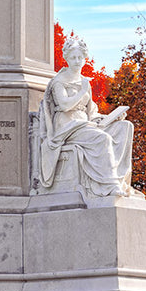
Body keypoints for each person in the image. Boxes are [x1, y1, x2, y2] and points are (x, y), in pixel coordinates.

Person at [37, 35, 134, 198]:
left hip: (85, 123)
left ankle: (120, 178)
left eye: (80, 57)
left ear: (84, 59)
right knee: (102, 139)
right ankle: (109, 185)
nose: (77, 61)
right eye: (73, 57)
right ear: (66, 58)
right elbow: (65, 105)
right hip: (67, 125)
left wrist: (110, 118)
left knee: (125, 127)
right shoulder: (59, 81)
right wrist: (82, 91)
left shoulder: (85, 82)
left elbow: (91, 112)